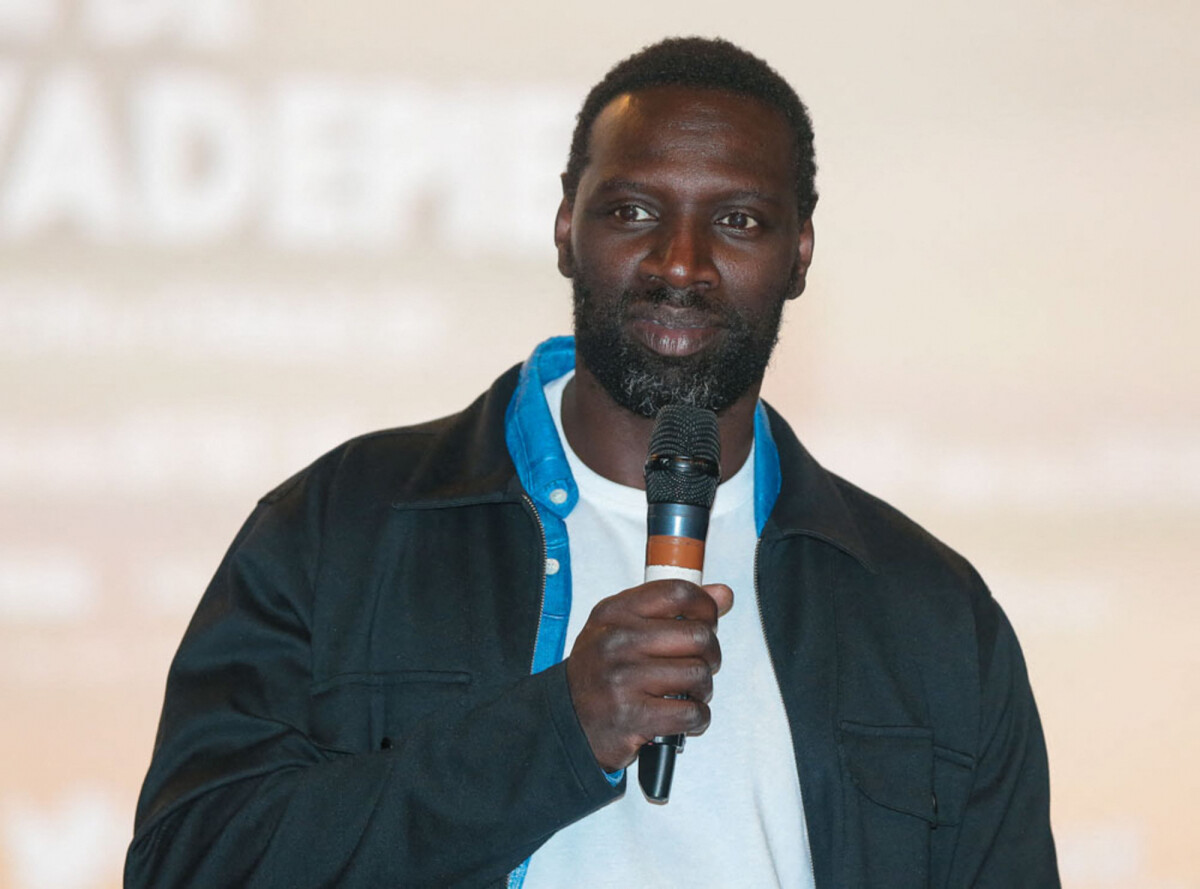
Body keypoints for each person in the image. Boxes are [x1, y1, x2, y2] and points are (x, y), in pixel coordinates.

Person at [126, 37, 1059, 889]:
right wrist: (555, 730)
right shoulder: (342, 526)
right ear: (567, 226)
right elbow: (188, 866)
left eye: (736, 219)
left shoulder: (927, 610)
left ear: (800, 252)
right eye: (633, 209)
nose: (680, 263)